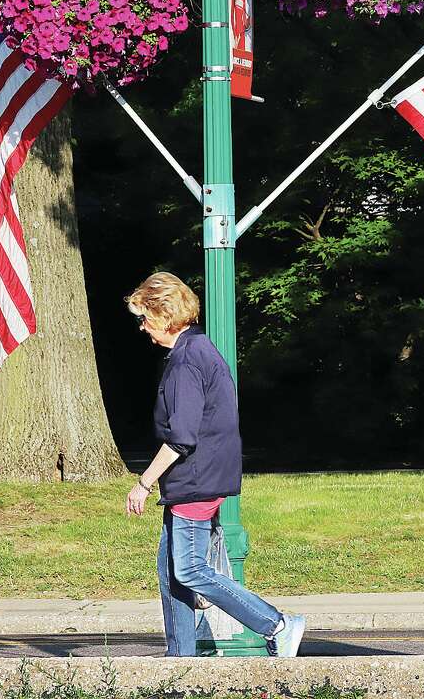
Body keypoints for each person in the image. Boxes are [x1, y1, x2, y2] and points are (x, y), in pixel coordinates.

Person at [124, 272, 305, 657]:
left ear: (165, 314)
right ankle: (182, 657)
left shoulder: (186, 361)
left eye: (145, 318)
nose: (142, 327)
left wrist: (143, 483)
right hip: (200, 478)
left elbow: (181, 437)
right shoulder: (198, 349)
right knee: (172, 573)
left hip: (195, 480)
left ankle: (277, 624)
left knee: (188, 570)